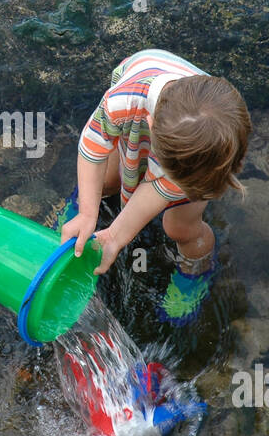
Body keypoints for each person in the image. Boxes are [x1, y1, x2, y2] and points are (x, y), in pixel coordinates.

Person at [55, 48, 251, 325]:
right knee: (108, 181)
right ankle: (80, 209)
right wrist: (88, 212)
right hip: (136, 119)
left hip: (194, 150)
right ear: (151, 127)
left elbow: (161, 188)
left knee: (180, 227)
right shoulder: (121, 102)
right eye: (170, 176)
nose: (167, 182)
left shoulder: (218, 136)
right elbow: (92, 148)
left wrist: (117, 235)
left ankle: (196, 269)